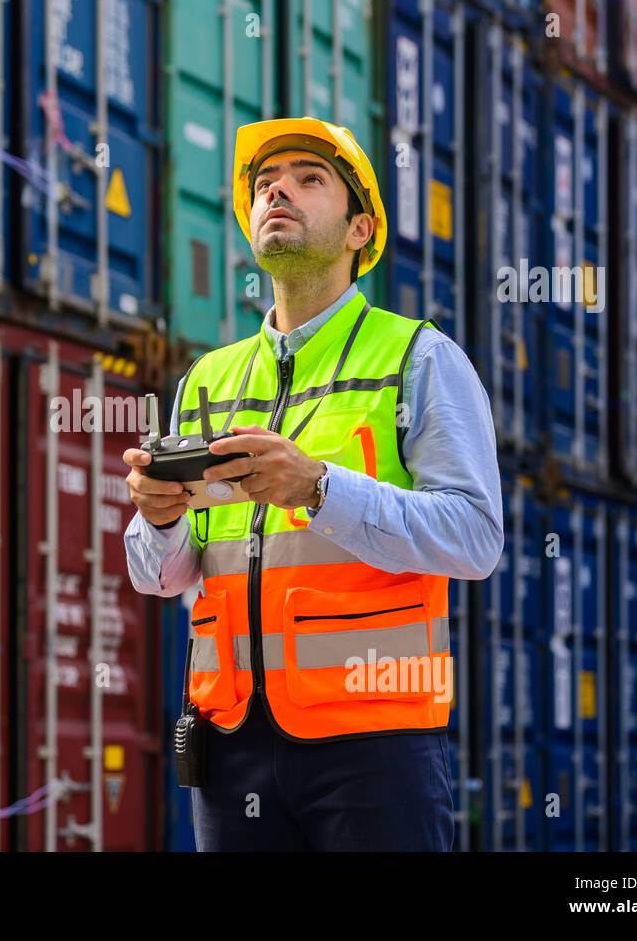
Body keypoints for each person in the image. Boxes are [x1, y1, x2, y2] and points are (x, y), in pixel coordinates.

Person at [122, 117, 504, 851]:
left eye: (307, 179)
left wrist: (320, 489)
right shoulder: (208, 379)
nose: (278, 192)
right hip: (230, 745)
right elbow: (163, 578)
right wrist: (159, 518)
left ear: (361, 228)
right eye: (266, 184)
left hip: (375, 744)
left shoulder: (419, 358)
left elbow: (475, 539)